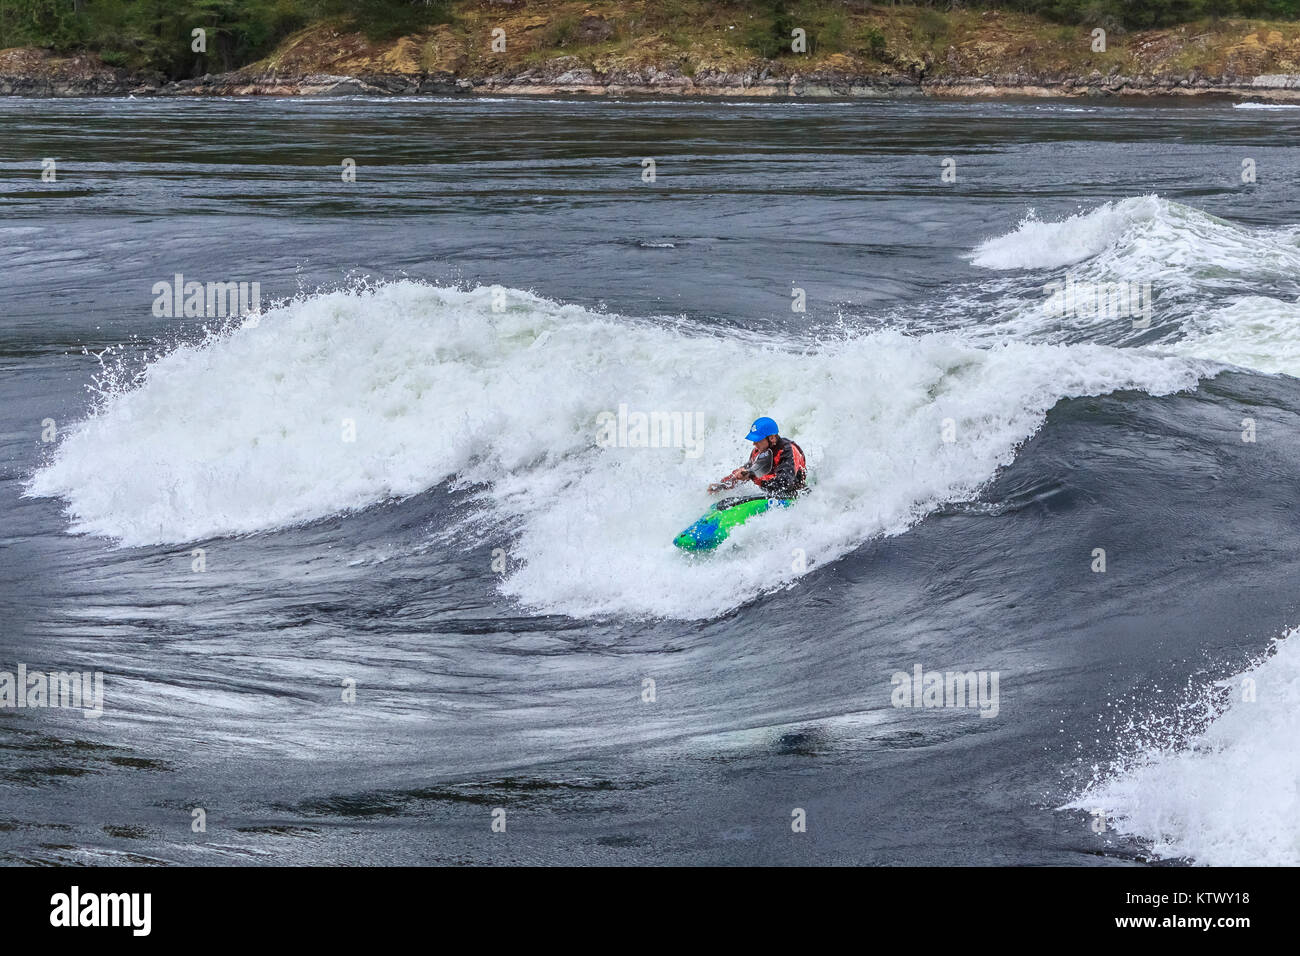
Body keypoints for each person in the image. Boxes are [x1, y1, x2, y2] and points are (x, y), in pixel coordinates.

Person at [708, 417, 807, 499]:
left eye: (757, 440)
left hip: (794, 495)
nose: (754, 443)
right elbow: (745, 472)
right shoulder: (758, 451)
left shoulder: (788, 451)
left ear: (772, 438)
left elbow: (784, 483)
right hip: (771, 496)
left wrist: (753, 476)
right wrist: (722, 485)